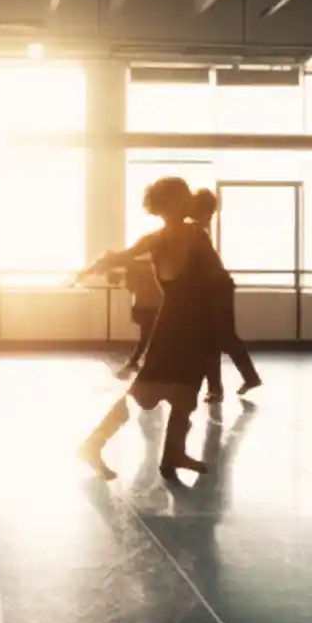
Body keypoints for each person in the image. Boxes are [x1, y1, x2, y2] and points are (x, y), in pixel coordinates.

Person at [76, 177, 219, 482]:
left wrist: (95, 266)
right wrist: (93, 267)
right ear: (168, 204)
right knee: (144, 390)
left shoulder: (171, 236)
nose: (187, 201)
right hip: (178, 322)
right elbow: (214, 275)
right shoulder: (190, 235)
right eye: (181, 197)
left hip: (187, 322)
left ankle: (173, 454)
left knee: (186, 389)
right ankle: (93, 443)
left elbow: (118, 257)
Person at [190, 188, 262, 402]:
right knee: (220, 337)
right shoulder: (197, 229)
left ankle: (219, 387)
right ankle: (238, 380)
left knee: (216, 338)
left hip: (214, 289)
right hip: (217, 287)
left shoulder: (195, 231)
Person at [111, 257, 162, 379]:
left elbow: (131, 287)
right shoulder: (159, 262)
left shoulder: (132, 266)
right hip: (158, 303)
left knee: (146, 335)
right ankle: (137, 362)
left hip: (144, 304)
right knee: (151, 336)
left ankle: (135, 363)